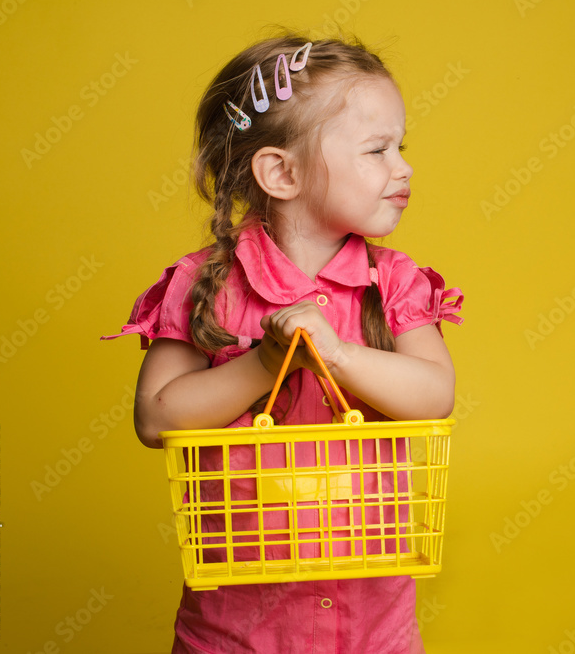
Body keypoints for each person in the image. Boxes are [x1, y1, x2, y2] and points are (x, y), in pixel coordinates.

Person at [103, 33, 464, 653]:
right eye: (377, 150)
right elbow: (156, 418)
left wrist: (339, 353)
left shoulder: (395, 281)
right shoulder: (204, 286)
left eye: (401, 147)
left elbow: (435, 395)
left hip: (370, 629)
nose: (403, 167)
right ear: (282, 172)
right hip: (235, 632)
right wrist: (267, 361)